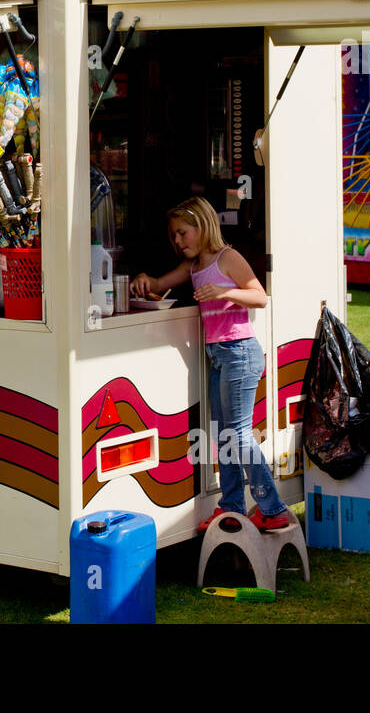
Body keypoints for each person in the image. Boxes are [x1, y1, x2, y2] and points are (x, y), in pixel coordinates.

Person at [130, 196, 291, 533]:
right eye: (174, 235)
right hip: (219, 356)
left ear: (202, 227)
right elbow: (160, 285)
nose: (178, 241)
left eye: (183, 233)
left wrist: (223, 292)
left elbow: (259, 297)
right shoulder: (193, 268)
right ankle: (231, 506)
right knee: (224, 436)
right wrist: (145, 280)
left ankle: (272, 507)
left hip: (240, 352)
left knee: (239, 435)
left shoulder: (226, 258)